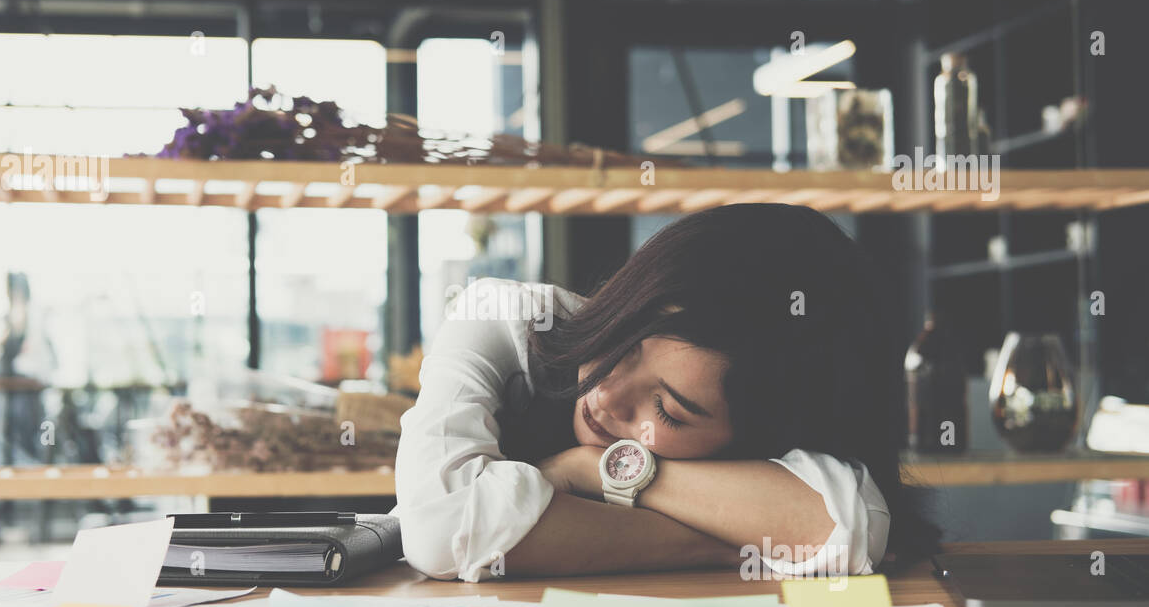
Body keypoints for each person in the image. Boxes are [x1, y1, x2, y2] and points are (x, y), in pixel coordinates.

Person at [392, 204, 938, 582]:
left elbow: (853, 524)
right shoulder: (505, 319)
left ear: (755, 441)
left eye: (667, 410)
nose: (607, 396)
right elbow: (442, 529)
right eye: (625, 344)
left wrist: (593, 469)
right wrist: (723, 544)